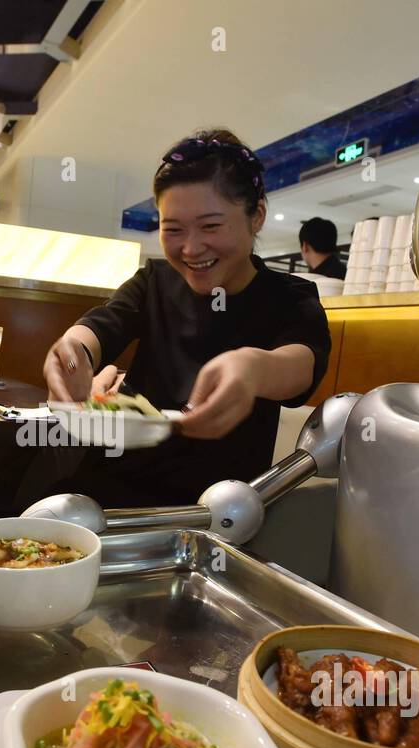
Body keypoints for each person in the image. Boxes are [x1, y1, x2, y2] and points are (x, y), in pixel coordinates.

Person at [38, 129, 331, 508]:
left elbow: (302, 365)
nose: (191, 249)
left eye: (210, 226)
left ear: (256, 215)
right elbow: (102, 326)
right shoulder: (154, 282)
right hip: (106, 497)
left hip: (211, 514)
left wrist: (251, 367)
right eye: (172, 229)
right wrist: (72, 353)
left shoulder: (290, 297)